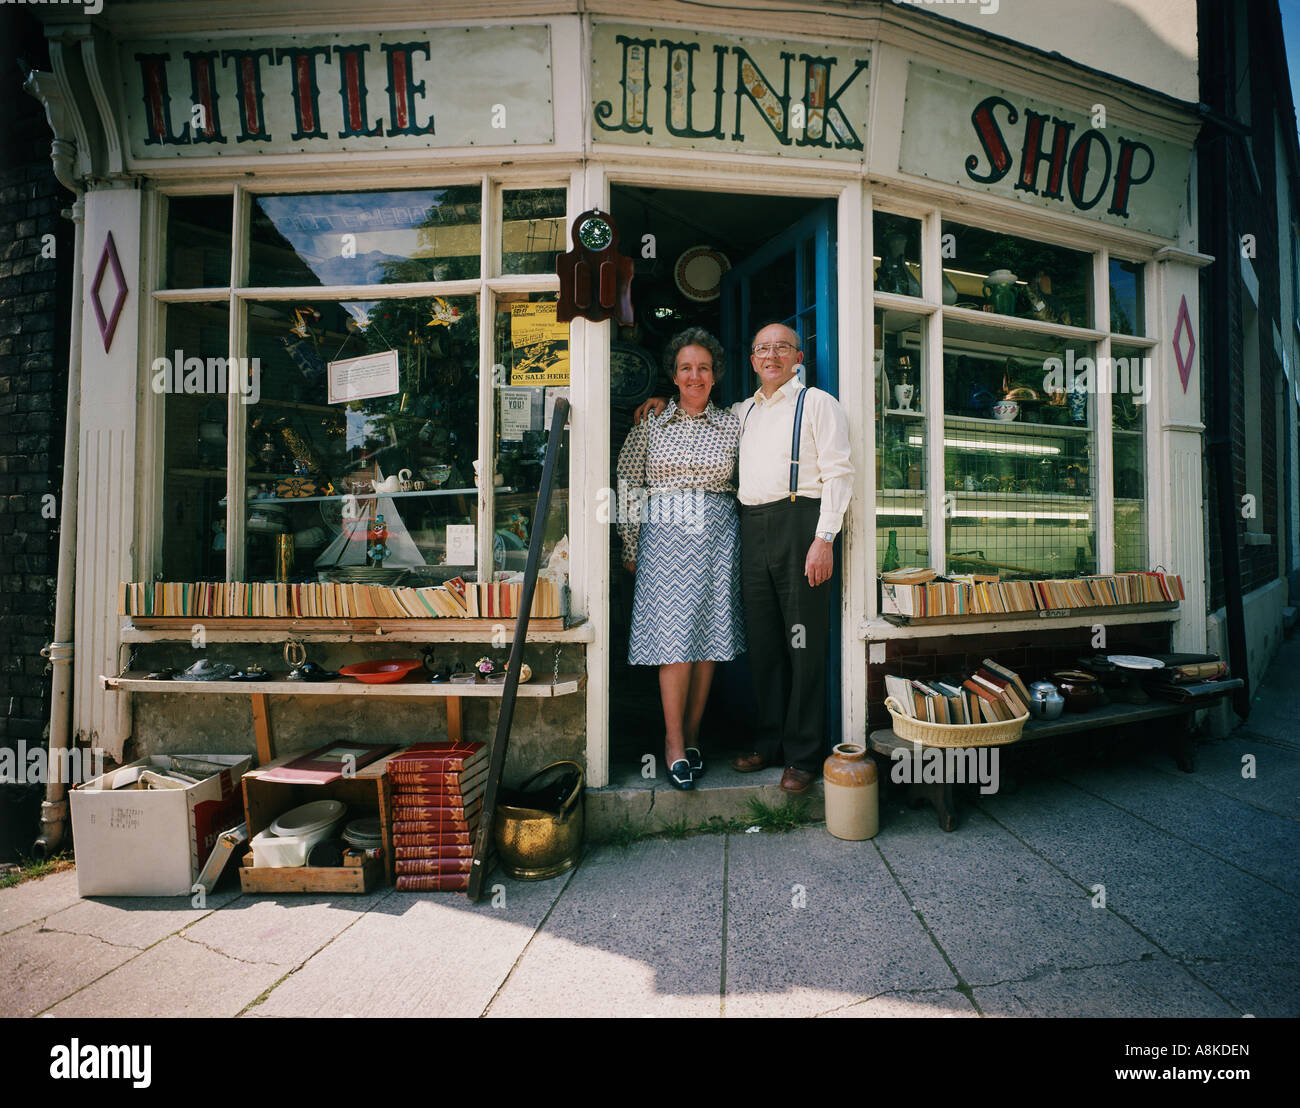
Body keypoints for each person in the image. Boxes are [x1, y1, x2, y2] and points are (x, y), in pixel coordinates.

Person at [635, 322, 852, 793]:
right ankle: (769, 742)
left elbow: (839, 473)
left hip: (800, 526)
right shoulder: (741, 412)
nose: (771, 356)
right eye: (762, 349)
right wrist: (657, 399)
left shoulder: (818, 404)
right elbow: (682, 415)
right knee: (765, 645)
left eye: (781, 348)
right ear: (752, 361)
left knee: (804, 646)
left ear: (798, 357)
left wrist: (825, 537)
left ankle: (803, 754)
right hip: (748, 529)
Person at [616, 328, 746, 791]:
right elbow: (629, 486)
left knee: (709, 640)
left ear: (715, 377)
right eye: (687, 367)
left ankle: (693, 736)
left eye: (704, 368)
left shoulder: (734, 423)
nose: (695, 375)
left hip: (717, 537)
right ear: (674, 375)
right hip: (665, 540)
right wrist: (631, 546)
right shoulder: (649, 424)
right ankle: (673, 743)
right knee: (673, 643)